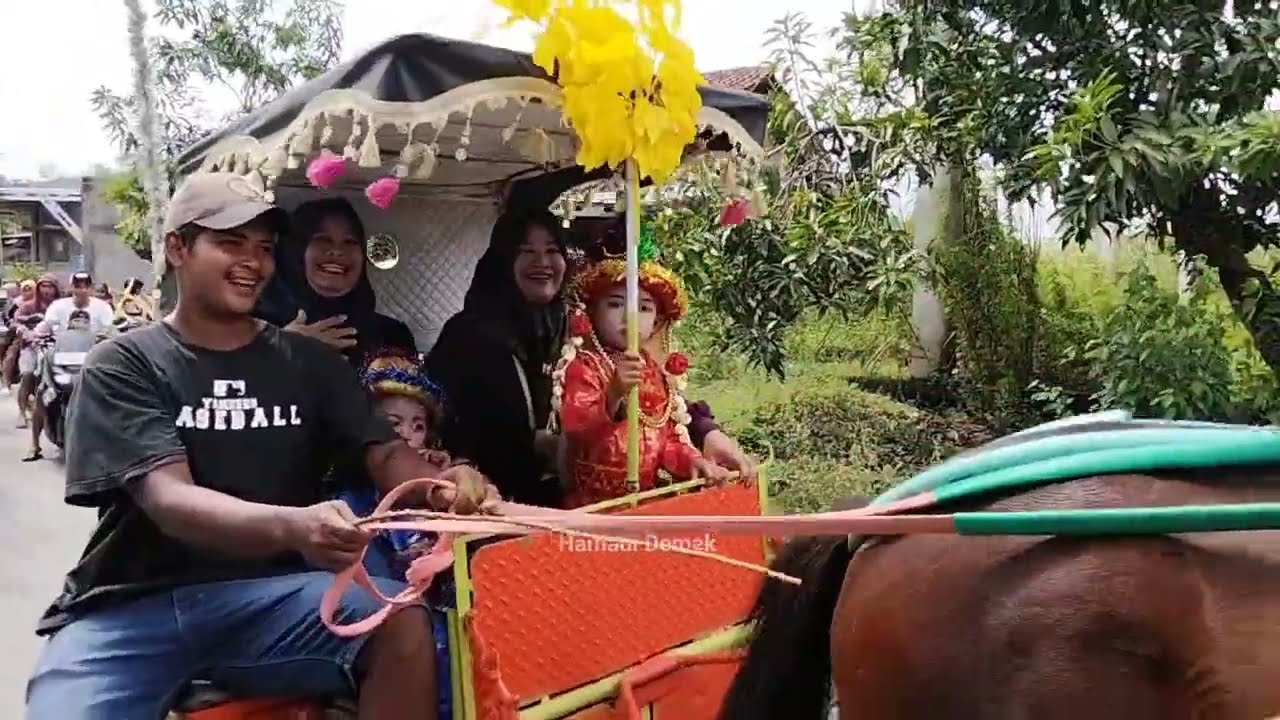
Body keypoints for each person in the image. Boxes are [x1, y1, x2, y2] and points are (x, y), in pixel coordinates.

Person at [25, 172, 499, 720]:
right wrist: (296, 526)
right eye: (230, 243)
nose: (253, 261)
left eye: (265, 248)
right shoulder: (127, 362)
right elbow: (170, 500)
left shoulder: (310, 363)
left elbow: (384, 452)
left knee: (404, 622)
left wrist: (442, 489)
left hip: (270, 598)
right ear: (177, 247)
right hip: (132, 606)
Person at [554, 236, 729, 508]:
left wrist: (694, 461)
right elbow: (577, 430)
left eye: (644, 308)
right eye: (615, 304)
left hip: (645, 500)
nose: (630, 317)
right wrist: (613, 393)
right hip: (591, 508)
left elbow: (667, 438)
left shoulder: (654, 372)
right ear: (591, 312)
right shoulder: (585, 366)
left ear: (657, 320)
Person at [427, 209, 571, 507]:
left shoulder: (571, 326)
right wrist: (532, 444)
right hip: (484, 504)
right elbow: (445, 424)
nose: (542, 262)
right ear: (503, 262)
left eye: (552, 250)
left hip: (561, 501)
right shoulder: (468, 334)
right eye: (526, 251)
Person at [257, 196, 416, 365]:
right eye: (322, 239)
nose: (337, 251)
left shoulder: (392, 336)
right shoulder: (251, 328)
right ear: (294, 253)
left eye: (350, 241)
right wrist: (282, 352)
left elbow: (417, 389)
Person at [338, 349, 452, 580]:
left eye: (418, 426)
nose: (407, 434)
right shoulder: (350, 501)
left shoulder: (440, 479)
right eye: (393, 423)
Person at [12, 275, 60, 430]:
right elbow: (15, 321)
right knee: (28, 374)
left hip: (56, 346)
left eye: (50, 286)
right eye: (43, 286)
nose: (46, 290)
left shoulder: (61, 306)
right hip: (31, 346)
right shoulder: (28, 306)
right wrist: (24, 331)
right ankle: (22, 412)